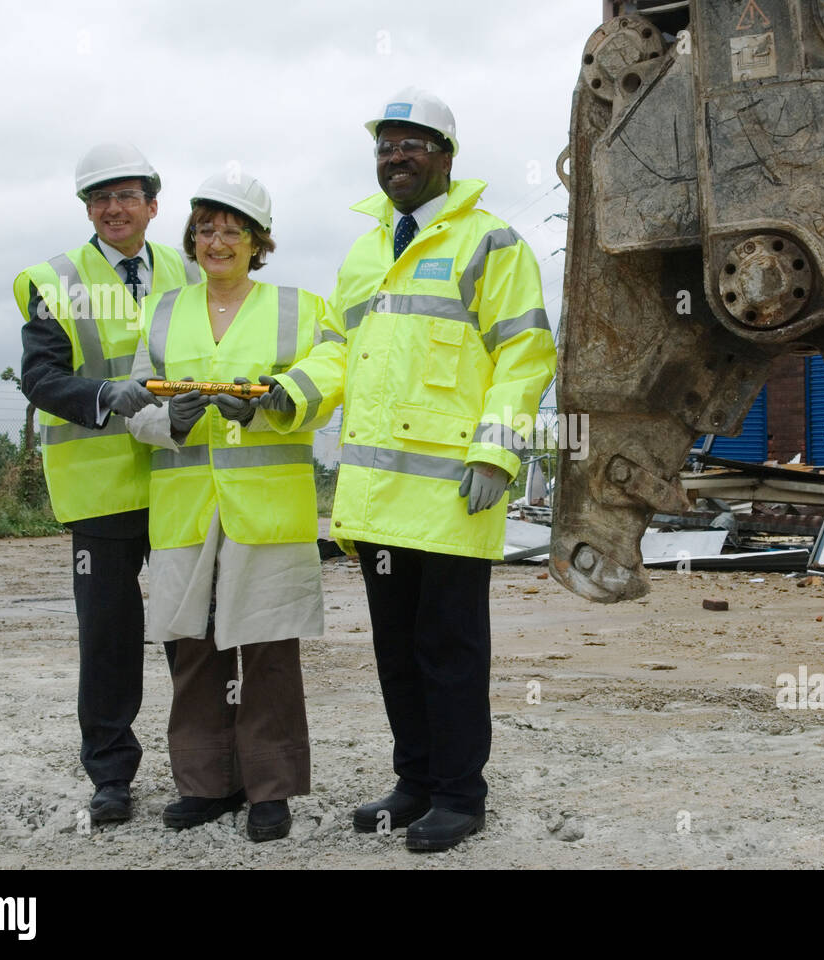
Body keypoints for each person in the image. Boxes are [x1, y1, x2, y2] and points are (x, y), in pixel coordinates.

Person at [286, 88, 557, 851]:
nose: (394, 157)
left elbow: (525, 355)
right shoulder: (365, 252)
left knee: (450, 652)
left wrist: (497, 453)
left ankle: (460, 795)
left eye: (411, 144)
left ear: (445, 156)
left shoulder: (489, 244)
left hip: (449, 495)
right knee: (397, 652)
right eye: (384, 147)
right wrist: (284, 398)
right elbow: (336, 350)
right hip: (376, 499)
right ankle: (414, 782)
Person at [126, 170, 330, 843]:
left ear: (257, 242)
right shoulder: (162, 312)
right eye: (205, 229)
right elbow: (134, 403)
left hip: (265, 510)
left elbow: (334, 369)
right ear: (192, 238)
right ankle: (206, 785)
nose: (217, 241)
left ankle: (270, 792)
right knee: (193, 648)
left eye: (232, 231)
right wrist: (168, 421)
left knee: (268, 650)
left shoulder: (298, 307)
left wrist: (277, 398)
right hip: (187, 507)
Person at [13, 142, 202, 825]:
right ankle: (112, 777)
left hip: (180, 482)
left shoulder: (190, 268)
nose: (112, 208)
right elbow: (40, 377)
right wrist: (103, 394)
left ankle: (203, 772)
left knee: (192, 632)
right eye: (99, 198)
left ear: (153, 205)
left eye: (126, 195)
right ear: (87, 210)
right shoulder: (54, 279)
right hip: (100, 496)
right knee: (110, 642)